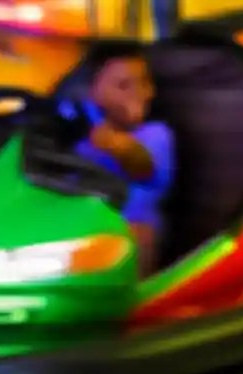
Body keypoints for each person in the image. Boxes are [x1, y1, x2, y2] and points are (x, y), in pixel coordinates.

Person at [73, 42, 175, 276]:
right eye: (123, 86)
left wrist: (115, 143)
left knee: (138, 234)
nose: (140, 93)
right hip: (86, 224)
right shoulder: (84, 141)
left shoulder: (155, 134)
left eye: (144, 83)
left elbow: (142, 166)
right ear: (93, 93)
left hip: (133, 225)